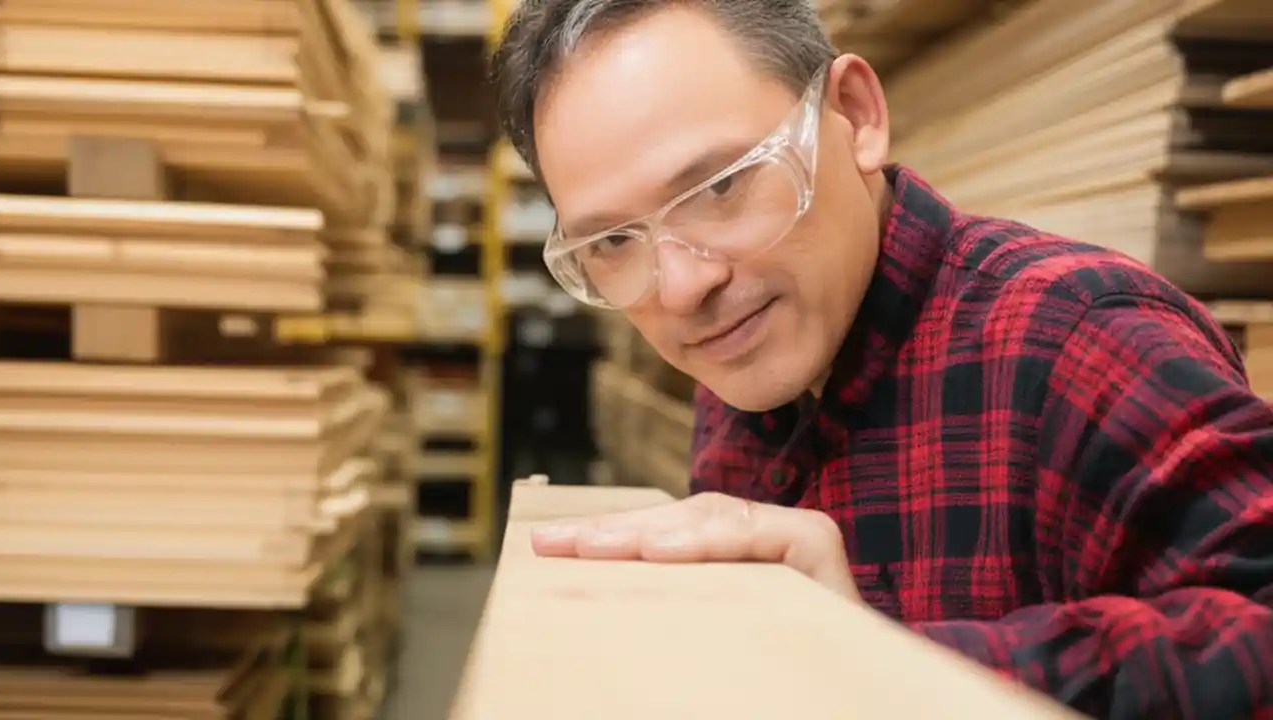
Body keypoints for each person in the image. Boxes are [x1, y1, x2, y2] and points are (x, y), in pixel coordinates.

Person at [488, 1, 1273, 717]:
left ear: (856, 116)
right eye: (616, 242)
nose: (685, 285)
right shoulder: (747, 365)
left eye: (722, 187)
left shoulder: (1083, 342)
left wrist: (879, 659)